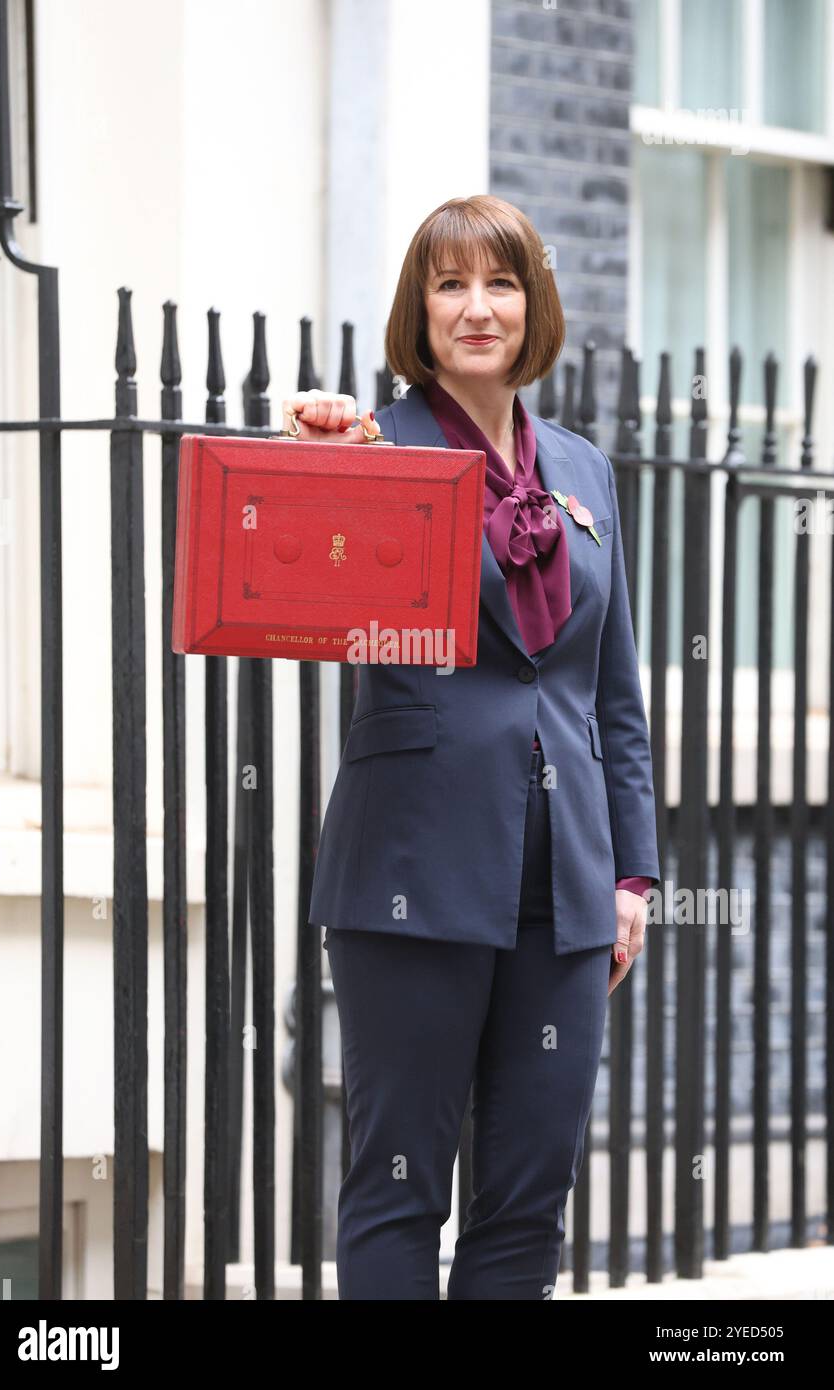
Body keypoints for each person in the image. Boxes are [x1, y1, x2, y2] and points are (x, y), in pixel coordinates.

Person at [283, 194, 660, 1300]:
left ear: (530, 302)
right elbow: (288, 566)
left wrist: (630, 872)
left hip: (566, 882)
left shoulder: (584, 473)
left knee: (529, 1193)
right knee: (401, 1185)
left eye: (497, 282)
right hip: (414, 870)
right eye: (448, 284)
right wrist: (309, 456)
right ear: (421, 308)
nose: (475, 307)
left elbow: (613, 695)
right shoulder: (374, 446)